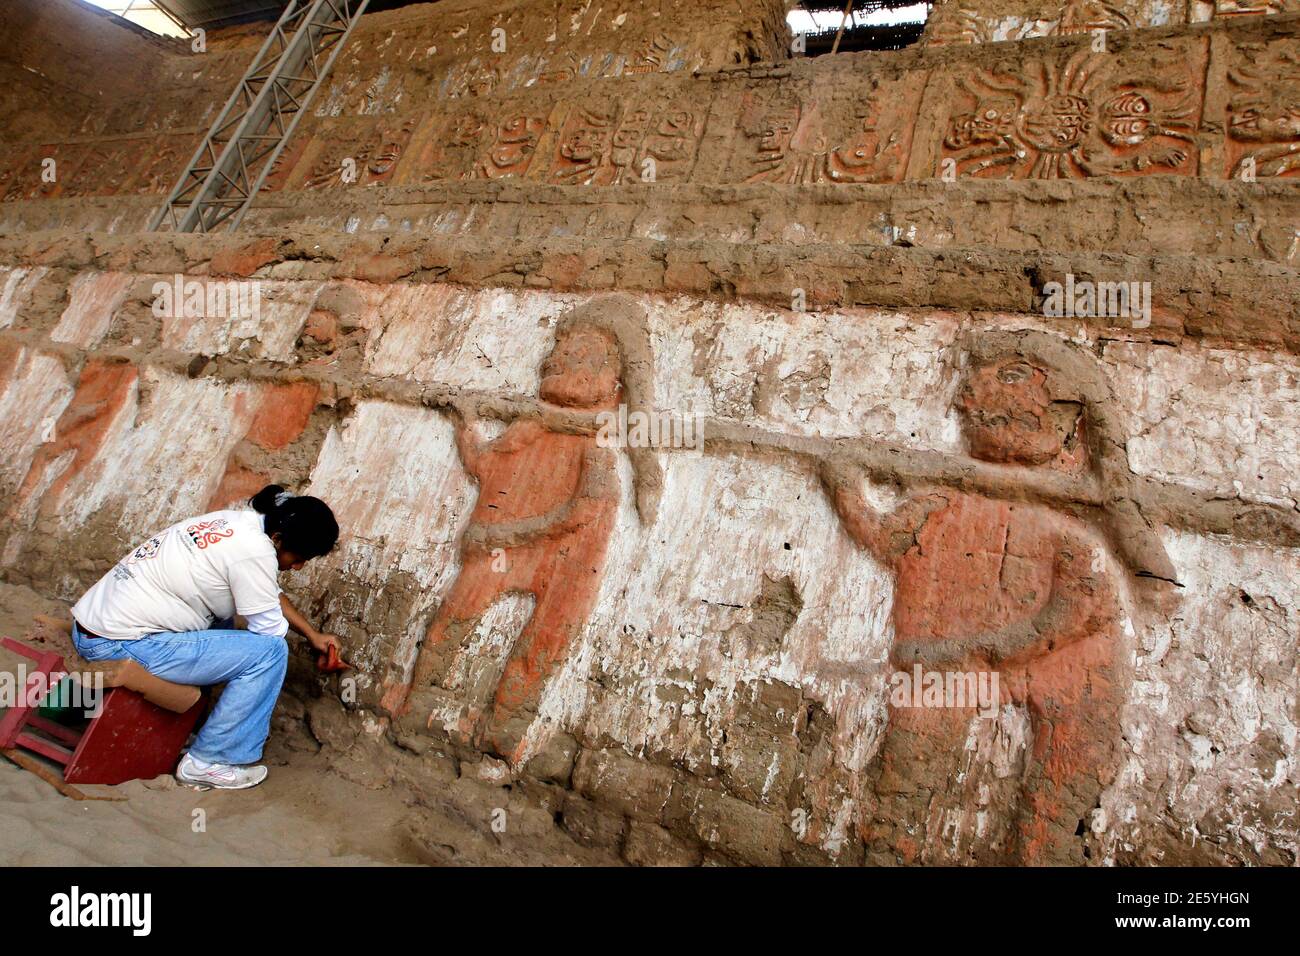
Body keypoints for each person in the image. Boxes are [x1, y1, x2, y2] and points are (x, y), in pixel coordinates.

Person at [69, 485, 342, 790]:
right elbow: (267, 632)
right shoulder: (254, 552)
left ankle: (198, 730)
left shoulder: (238, 523)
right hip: (121, 644)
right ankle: (210, 760)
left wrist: (311, 634)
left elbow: (265, 590)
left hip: (92, 628)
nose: (298, 566)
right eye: (300, 557)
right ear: (278, 539)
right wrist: (289, 637)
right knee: (270, 652)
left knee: (224, 621)